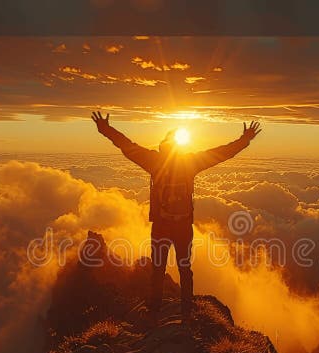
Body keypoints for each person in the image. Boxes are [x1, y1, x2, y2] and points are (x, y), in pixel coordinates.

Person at [91, 111, 261, 317]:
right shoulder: (190, 162)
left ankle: (154, 310)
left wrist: (105, 129)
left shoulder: (153, 161)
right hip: (183, 226)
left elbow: (126, 145)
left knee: (157, 269)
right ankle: (186, 311)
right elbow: (222, 153)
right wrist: (244, 140)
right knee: (184, 268)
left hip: (161, 225)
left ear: (163, 145)